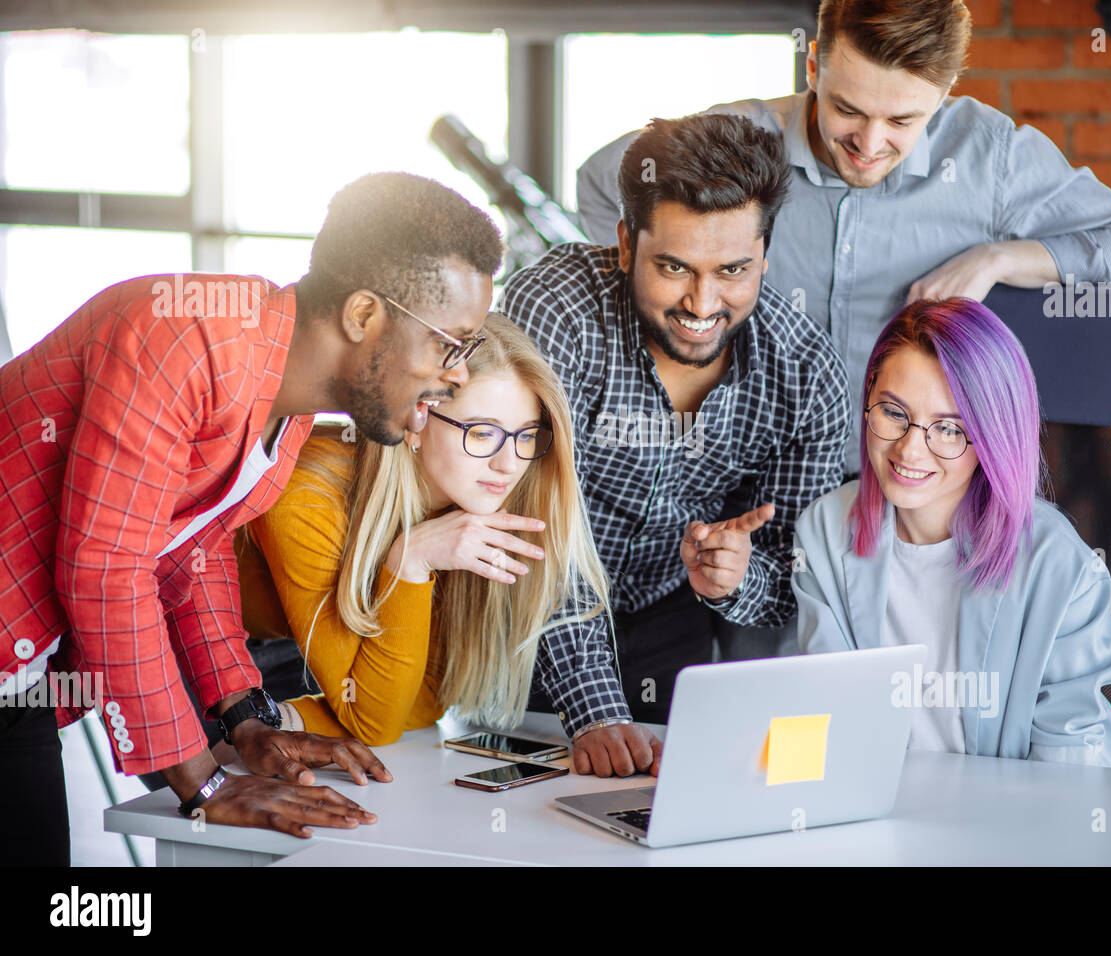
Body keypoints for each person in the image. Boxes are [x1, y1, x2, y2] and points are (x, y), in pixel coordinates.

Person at [0, 171, 502, 863]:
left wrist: (242, 717)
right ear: (363, 315)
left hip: (19, 685)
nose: (460, 375)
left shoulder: (284, 401)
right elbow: (107, 569)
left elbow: (192, 551)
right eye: (453, 343)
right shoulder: (182, 336)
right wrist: (201, 787)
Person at [576, 0, 1111, 475]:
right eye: (847, 109)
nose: (869, 142)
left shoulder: (991, 157)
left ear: (944, 93)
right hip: (749, 482)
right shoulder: (741, 138)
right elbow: (602, 183)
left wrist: (999, 259)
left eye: (903, 121)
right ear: (813, 68)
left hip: (910, 485)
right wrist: (679, 320)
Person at [501, 111, 852, 774]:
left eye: (732, 270)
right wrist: (597, 710)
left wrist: (736, 579)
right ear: (626, 244)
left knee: (645, 815)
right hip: (520, 613)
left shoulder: (804, 373)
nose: (701, 302)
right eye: (675, 267)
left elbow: (797, 578)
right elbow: (529, 525)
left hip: (670, 617)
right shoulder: (556, 309)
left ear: (765, 257)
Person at [236, 315, 638, 769]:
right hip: (218, 676)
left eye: (526, 436)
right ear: (417, 417)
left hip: (307, 688)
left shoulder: (464, 512)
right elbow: (376, 722)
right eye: (482, 433)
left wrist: (290, 717)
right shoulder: (308, 491)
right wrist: (410, 559)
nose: (509, 464)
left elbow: (428, 700)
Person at [792, 297, 1111, 767]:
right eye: (893, 411)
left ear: (991, 437)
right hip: (873, 817)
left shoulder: (1062, 568)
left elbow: (1074, 771)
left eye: (949, 429)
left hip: (1006, 825)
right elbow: (826, 724)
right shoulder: (824, 533)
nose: (910, 449)